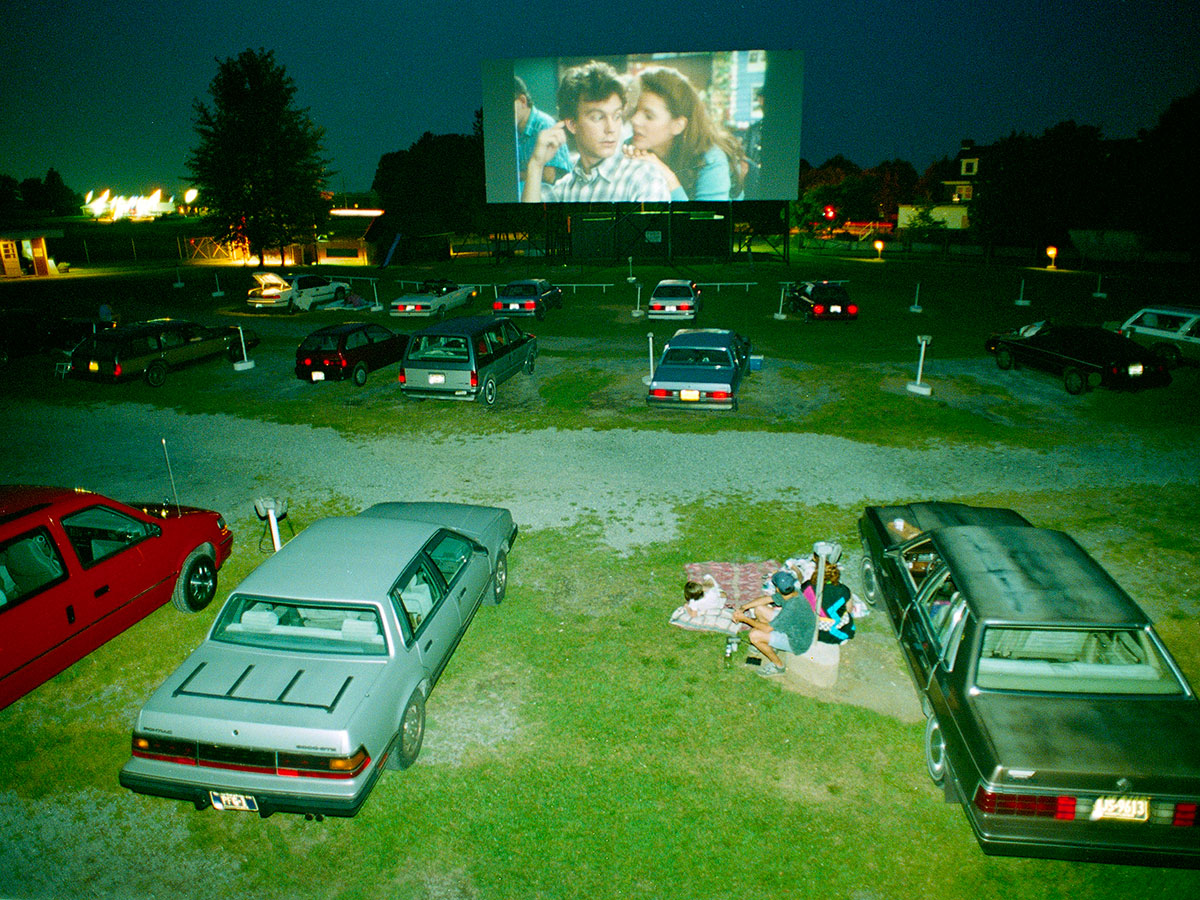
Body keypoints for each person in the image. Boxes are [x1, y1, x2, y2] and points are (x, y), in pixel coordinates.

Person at [521, 61, 671, 204]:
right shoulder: (564, 189)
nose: (611, 128)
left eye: (617, 116)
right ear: (572, 125)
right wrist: (536, 164)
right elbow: (530, 227)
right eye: (598, 117)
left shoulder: (643, 177)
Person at [622, 66, 746, 202]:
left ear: (677, 126)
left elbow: (705, 222)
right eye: (635, 111)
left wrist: (666, 175)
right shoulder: (631, 148)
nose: (634, 120)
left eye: (649, 116)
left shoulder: (711, 158)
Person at [732, 579, 816, 676]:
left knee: (754, 635)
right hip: (794, 626)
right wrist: (743, 607)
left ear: (777, 589)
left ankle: (778, 666)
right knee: (759, 609)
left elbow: (768, 628)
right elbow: (766, 599)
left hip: (797, 641)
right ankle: (770, 644)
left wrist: (744, 619)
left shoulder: (792, 607)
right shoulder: (792, 592)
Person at [514, 76, 570, 200]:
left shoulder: (545, 125)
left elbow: (550, 176)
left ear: (523, 101)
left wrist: (514, 176)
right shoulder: (514, 130)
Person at [816, 563, 856, 645]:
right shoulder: (843, 590)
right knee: (844, 614)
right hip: (833, 634)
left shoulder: (807, 586)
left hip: (814, 631)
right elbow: (849, 609)